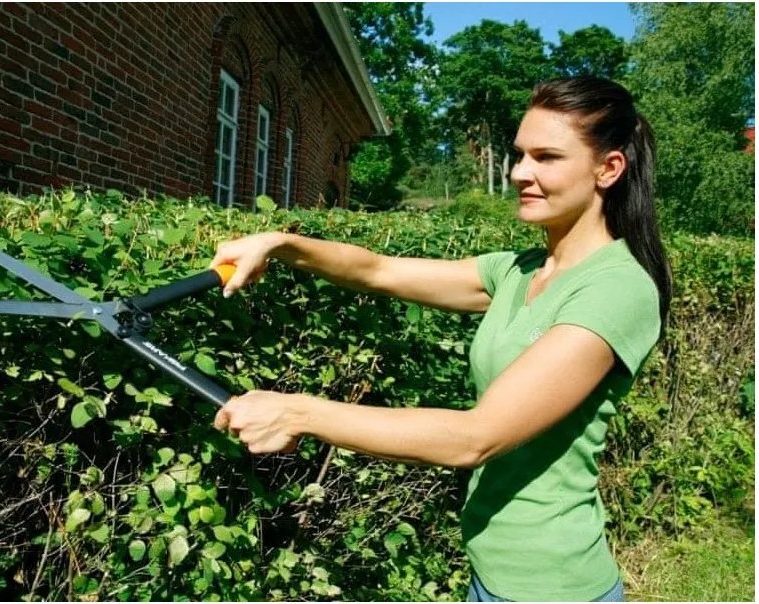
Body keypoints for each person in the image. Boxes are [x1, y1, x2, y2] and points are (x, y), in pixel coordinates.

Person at [209, 76, 672, 602]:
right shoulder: (519, 271)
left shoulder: (617, 288)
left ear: (608, 169)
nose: (520, 172)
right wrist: (282, 243)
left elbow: (476, 437)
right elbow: (378, 270)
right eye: (519, 154)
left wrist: (299, 414)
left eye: (546, 157)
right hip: (492, 570)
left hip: (552, 584)